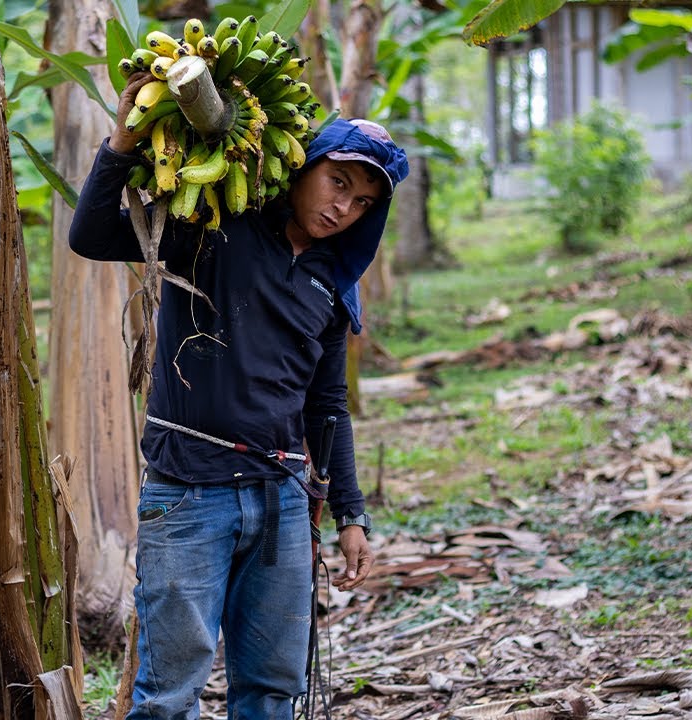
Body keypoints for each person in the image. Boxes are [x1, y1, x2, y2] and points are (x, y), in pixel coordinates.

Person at [69, 73, 410, 720]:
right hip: (189, 493)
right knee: (168, 697)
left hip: (283, 499)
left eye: (364, 202)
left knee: (273, 691)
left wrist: (351, 514)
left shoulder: (332, 283)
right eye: (339, 182)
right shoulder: (215, 228)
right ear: (306, 166)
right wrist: (122, 142)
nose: (344, 207)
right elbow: (91, 237)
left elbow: (327, 406)